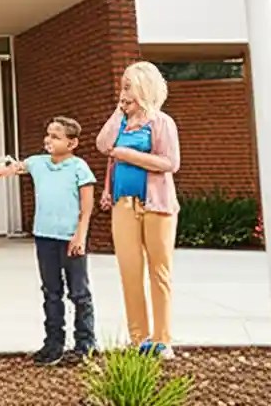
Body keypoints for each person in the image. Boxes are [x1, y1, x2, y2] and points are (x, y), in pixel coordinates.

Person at [0, 117, 96, 366]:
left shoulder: (80, 167)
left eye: (55, 136)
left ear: (72, 142)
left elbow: (87, 208)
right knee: (51, 291)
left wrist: (80, 235)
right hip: (45, 238)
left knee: (79, 292)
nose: (48, 140)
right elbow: (4, 170)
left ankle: (85, 344)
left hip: (71, 240)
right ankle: (53, 343)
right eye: (48, 134)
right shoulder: (37, 163)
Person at [95, 61, 182, 360]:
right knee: (129, 272)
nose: (123, 91)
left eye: (128, 86)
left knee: (159, 271)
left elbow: (170, 163)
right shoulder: (121, 122)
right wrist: (119, 111)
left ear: (144, 87)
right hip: (123, 206)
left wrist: (128, 155)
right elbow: (102, 144)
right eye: (122, 86)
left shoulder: (161, 122)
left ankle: (163, 339)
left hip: (155, 207)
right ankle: (139, 339)